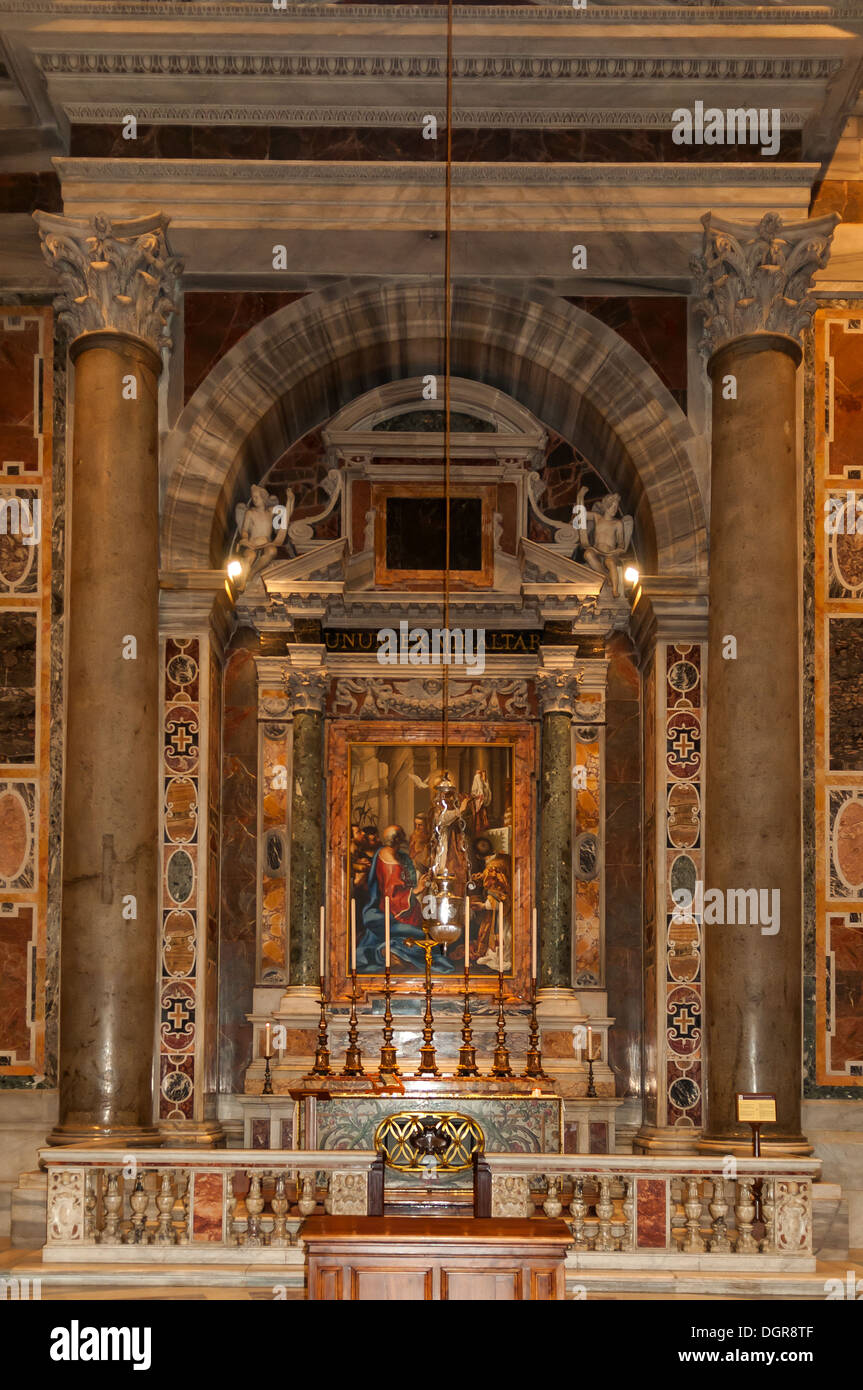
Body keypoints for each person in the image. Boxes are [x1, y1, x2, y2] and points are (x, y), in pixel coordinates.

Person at [356, 825, 456, 974]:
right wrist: (417, 889)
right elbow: (393, 894)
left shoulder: (399, 855)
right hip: (397, 910)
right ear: (398, 839)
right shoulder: (390, 861)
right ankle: (391, 954)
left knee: (427, 934)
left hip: (408, 906)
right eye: (403, 835)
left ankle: (397, 955)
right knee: (419, 936)